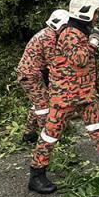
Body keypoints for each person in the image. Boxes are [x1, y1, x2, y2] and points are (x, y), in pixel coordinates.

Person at [29, 0, 99, 194]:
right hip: (66, 96)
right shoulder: (70, 33)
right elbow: (80, 59)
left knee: (97, 126)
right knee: (50, 134)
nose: (97, 18)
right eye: (96, 13)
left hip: (84, 93)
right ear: (85, 12)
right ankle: (37, 173)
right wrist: (94, 42)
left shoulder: (79, 32)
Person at [16, 9, 70, 144]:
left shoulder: (48, 33)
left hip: (33, 74)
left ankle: (29, 134)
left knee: (37, 104)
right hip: (30, 75)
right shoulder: (49, 37)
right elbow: (53, 63)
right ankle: (46, 139)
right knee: (43, 107)